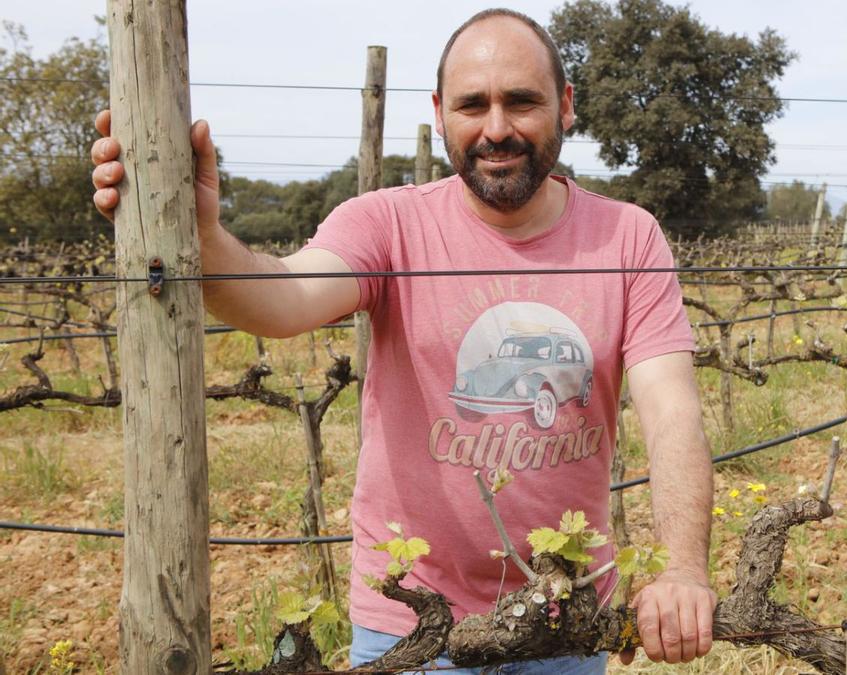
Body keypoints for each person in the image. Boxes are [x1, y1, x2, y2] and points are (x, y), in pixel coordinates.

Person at [92, 8, 715, 672]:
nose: (496, 128)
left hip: (564, 616)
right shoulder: (387, 223)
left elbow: (671, 410)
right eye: (472, 105)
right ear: (440, 113)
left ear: (564, 105)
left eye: (521, 101)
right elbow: (283, 299)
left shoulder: (628, 238)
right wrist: (201, 236)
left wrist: (683, 568)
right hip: (412, 623)